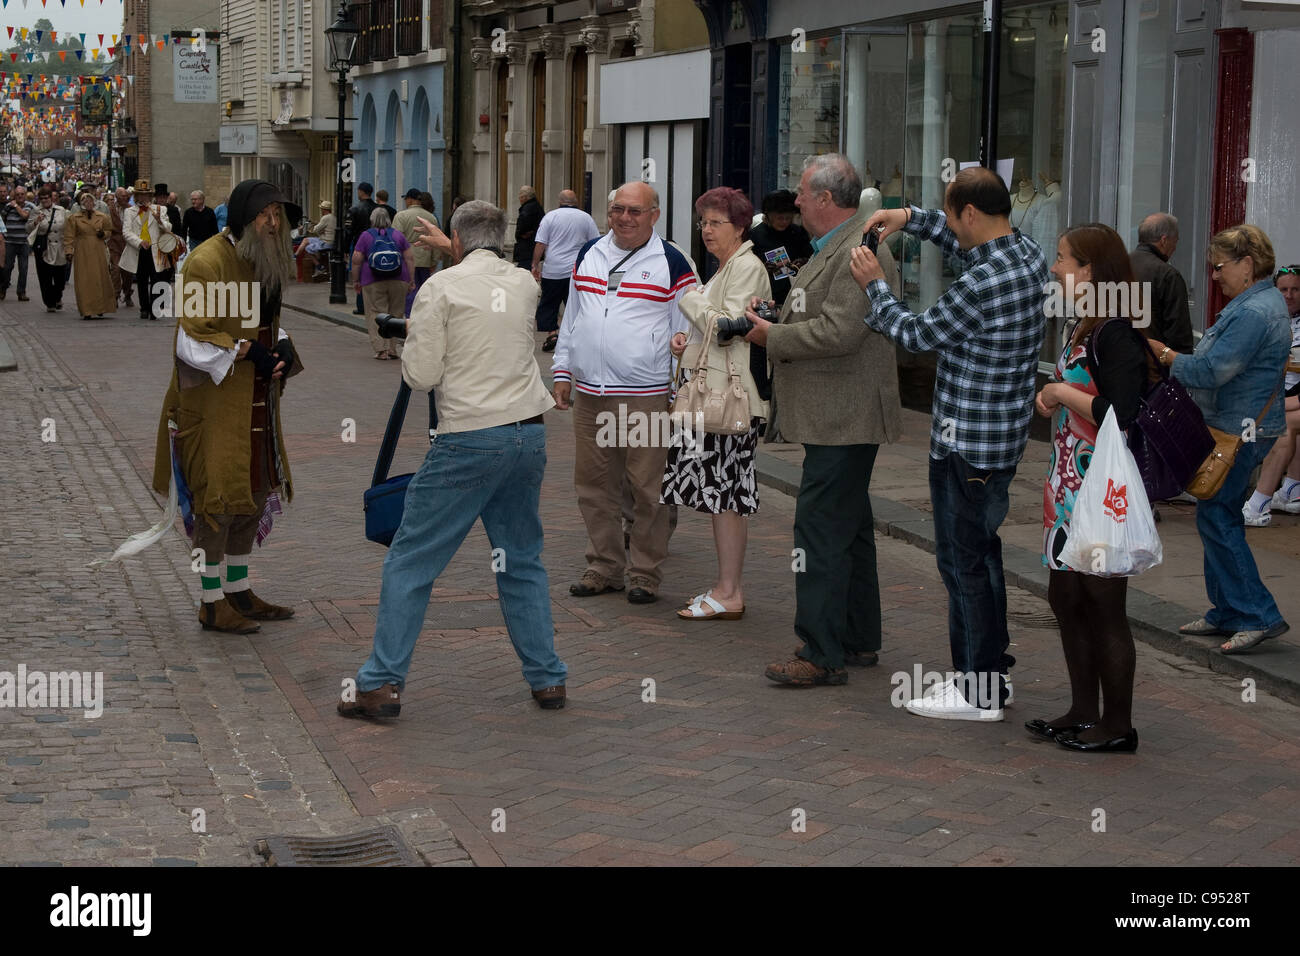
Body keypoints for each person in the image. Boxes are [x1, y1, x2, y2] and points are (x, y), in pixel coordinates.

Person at [338, 200, 567, 718]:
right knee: (520, 558)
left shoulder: (439, 289)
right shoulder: (524, 284)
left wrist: (428, 321)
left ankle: (380, 683)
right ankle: (547, 677)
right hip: (527, 434)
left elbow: (419, 375)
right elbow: (488, 280)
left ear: (457, 241)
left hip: (469, 436)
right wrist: (457, 250)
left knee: (411, 560)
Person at [850, 165, 1048, 720]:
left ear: (971, 213)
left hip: (968, 446)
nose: (953, 229)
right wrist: (910, 218)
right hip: (997, 438)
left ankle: (977, 691)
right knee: (981, 560)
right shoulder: (1025, 251)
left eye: (952, 214)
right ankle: (989, 678)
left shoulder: (983, 282)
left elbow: (916, 334)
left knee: (963, 565)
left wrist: (875, 286)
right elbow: (961, 236)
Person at [740, 155, 902, 685]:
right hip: (840, 415)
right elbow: (827, 314)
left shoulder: (861, 247)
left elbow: (840, 332)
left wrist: (770, 336)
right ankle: (855, 638)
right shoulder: (844, 242)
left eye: (804, 195)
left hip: (845, 416)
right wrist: (779, 313)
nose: (797, 204)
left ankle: (820, 652)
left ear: (827, 200)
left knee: (819, 532)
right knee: (849, 528)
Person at [150, 179, 304, 633]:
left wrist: (280, 352)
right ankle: (211, 602)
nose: (275, 225)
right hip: (214, 404)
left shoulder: (260, 259)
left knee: (251, 494)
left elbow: (265, 325)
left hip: (256, 402)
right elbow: (190, 339)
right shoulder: (206, 262)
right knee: (216, 499)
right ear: (244, 218)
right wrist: (245, 351)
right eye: (266, 216)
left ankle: (238, 590)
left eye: (279, 216)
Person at [1031, 224, 1155, 753]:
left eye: (1062, 258)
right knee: (1067, 596)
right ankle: (1083, 710)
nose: (1055, 267)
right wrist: (1056, 397)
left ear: (1089, 270)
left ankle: (1118, 724)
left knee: (1104, 603)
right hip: (1067, 487)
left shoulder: (1116, 332)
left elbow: (1121, 414)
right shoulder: (1082, 323)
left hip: (1100, 490)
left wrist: (1061, 391)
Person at [550, 181, 697, 604]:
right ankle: (604, 566)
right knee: (594, 486)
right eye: (618, 210)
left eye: (635, 211)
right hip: (591, 394)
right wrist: (562, 372)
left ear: (654, 216)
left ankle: (645, 574)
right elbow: (573, 318)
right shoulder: (588, 253)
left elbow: (685, 330)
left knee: (648, 488)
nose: (625, 218)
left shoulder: (672, 262)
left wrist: (676, 388)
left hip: (645, 393)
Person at [1149, 225, 1291, 653]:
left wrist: (1165, 355)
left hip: (1239, 431)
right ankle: (1228, 611)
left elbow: (1212, 370)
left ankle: (1256, 614)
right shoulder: (1256, 304)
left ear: (1247, 265)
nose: (1214, 275)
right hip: (1235, 426)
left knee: (1218, 518)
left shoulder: (1254, 312)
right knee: (1216, 516)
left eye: (1220, 267)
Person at [661, 187, 771, 621]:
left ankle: (729, 592)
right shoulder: (728, 267)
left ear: (739, 226)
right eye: (703, 222)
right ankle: (727, 587)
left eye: (715, 223)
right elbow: (716, 330)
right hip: (720, 396)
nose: (706, 230)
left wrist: (687, 298)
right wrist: (686, 345)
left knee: (726, 497)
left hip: (729, 403)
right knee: (723, 495)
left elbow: (728, 326)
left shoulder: (745, 266)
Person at [1242, 264, 1300, 525]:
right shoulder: (1269, 318)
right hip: (1277, 396)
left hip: (1286, 400)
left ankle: (1258, 505)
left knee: (1285, 427)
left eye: (1296, 290)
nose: (1289, 295)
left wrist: (1274, 405)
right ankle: (1292, 490)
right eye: (1284, 289)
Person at [531, 188, 600, 351]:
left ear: (560, 201)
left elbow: (541, 243)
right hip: (577, 270)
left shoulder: (550, 217)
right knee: (576, 304)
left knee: (549, 304)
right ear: (575, 201)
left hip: (553, 270)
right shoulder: (586, 218)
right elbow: (595, 243)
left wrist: (535, 265)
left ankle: (552, 333)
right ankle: (575, 335)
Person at [351, 206, 415, 360]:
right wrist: (411, 280)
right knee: (396, 313)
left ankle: (381, 349)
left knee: (375, 312)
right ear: (389, 220)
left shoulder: (366, 236)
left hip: (372, 280)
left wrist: (356, 280)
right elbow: (409, 258)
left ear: (372, 220)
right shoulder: (398, 235)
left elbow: (356, 260)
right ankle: (393, 349)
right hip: (399, 278)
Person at [1130, 213, 1193, 354]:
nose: (1175, 248)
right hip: (1152, 364)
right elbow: (1179, 334)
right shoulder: (1168, 276)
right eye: (1175, 241)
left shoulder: (1118, 266)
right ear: (1164, 240)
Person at [120, 179, 175, 320]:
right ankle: (144, 308)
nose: (143, 198)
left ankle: (154, 308)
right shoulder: (129, 212)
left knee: (156, 279)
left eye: (146, 195)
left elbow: (169, 228)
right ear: (136, 196)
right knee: (142, 280)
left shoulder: (160, 209)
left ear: (150, 196)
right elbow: (126, 232)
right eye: (140, 195)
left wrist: (159, 221)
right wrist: (139, 242)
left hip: (155, 249)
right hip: (140, 250)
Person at [65, 191, 117, 320]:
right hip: (82, 250)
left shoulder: (102, 216)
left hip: (98, 248)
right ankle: (86, 309)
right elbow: (69, 236)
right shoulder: (74, 218)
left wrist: (103, 234)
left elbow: (109, 230)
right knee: (84, 280)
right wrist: (69, 251)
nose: (88, 203)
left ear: (94, 202)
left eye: (90, 201)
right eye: (85, 201)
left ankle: (100, 307)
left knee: (100, 278)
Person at [391, 187, 438, 315]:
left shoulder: (401, 216)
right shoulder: (431, 217)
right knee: (423, 290)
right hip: (425, 257)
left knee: (408, 289)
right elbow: (436, 240)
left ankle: (409, 316)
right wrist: (434, 260)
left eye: (406, 199)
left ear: (410, 200)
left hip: (406, 259)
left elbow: (395, 240)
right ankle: (421, 315)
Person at [27, 186, 69, 312]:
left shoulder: (61, 210)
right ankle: (50, 303)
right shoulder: (36, 210)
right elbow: (28, 228)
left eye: (46, 198)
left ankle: (57, 296)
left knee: (60, 277)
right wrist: (35, 222)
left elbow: (68, 226)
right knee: (45, 277)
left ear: (52, 198)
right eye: (42, 198)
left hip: (60, 247)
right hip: (44, 247)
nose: (44, 200)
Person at [346, 182, 378, 315]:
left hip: (359, 244)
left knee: (359, 274)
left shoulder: (354, 209)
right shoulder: (377, 209)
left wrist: (344, 249)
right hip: (376, 245)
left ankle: (361, 305)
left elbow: (348, 231)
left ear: (361, 191)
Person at [1, 183, 35, 301]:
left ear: (25, 195)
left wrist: (15, 206)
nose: (20, 196)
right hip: (10, 241)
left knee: (23, 268)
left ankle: (21, 292)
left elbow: (25, 216)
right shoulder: (7, 206)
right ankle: (3, 289)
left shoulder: (29, 206)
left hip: (23, 242)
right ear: (14, 195)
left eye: (22, 194)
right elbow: (3, 218)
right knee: (7, 267)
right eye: (17, 194)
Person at [294, 200, 336, 281]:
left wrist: (310, 227)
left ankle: (319, 266)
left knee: (307, 248)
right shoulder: (333, 217)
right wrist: (315, 223)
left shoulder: (325, 218)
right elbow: (323, 227)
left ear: (324, 209)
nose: (321, 211)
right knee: (306, 240)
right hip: (327, 240)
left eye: (321, 209)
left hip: (326, 242)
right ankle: (296, 256)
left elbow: (315, 230)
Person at [107, 188, 131, 307]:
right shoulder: (111, 209)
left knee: (127, 272)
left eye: (126, 196)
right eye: (122, 196)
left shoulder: (131, 209)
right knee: (115, 269)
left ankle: (127, 294)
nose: (125, 198)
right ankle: (115, 296)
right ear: (117, 197)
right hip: (114, 242)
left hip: (128, 243)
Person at [513, 185, 544, 269]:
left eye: (520, 196)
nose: (519, 199)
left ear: (525, 197)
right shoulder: (537, 206)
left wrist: (520, 234)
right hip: (534, 245)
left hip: (527, 247)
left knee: (524, 270)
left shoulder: (528, 208)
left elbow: (522, 225)